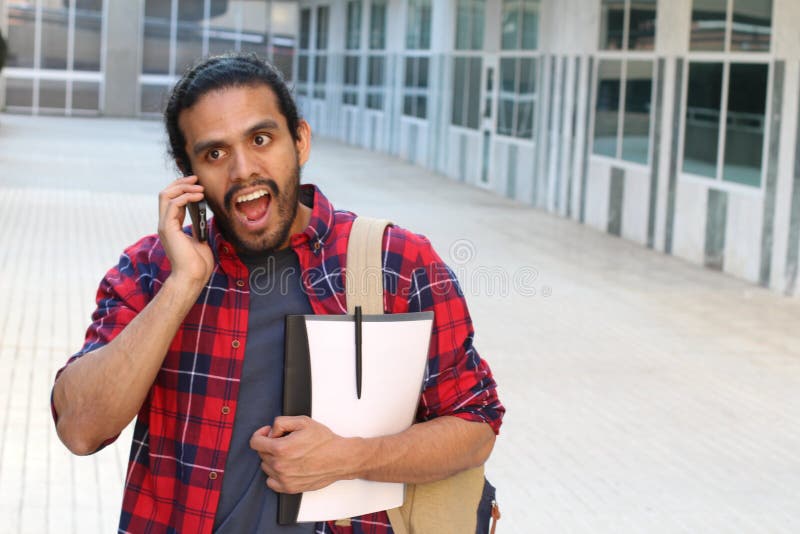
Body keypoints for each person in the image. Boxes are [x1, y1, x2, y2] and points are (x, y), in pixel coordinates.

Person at [51, 53, 504, 534]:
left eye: (261, 139)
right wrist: (181, 285)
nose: (243, 169)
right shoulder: (151, 271)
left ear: (300, 141)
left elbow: (475, 428)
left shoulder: (396, 262)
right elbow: (81, 429)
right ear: (190, 176)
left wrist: (352, 457)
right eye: (215, 154)